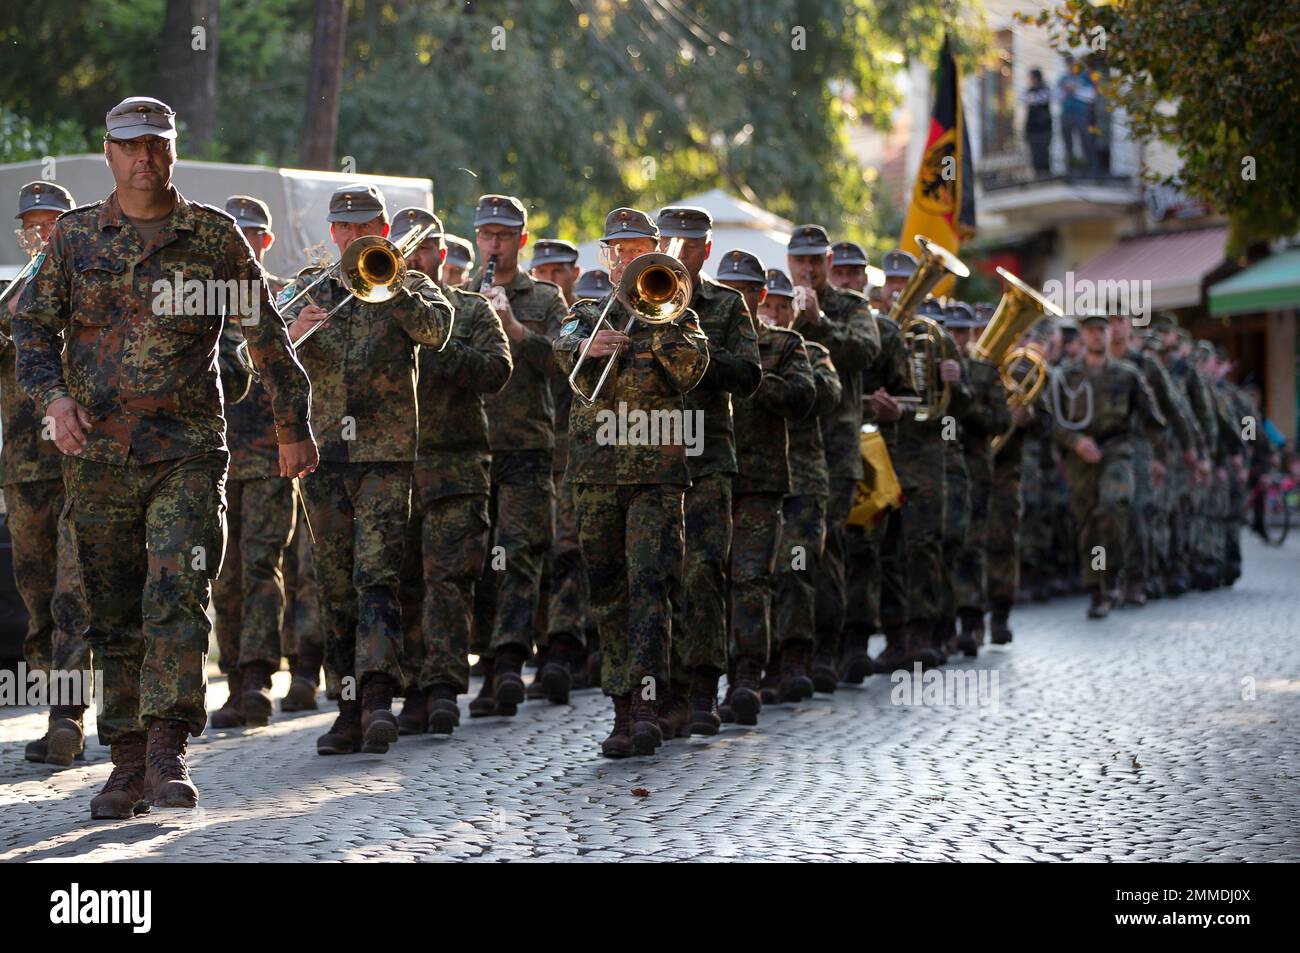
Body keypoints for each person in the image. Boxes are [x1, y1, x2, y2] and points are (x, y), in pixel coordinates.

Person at [14, 96, 317, 817]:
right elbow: (30, 329)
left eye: (157, 145)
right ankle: (123, 760)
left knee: (176, 589)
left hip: (186, 447)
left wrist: (291, 422)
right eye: (131, 146)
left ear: (172, 151)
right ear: (109, 154)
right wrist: (55, 400)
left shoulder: (212, 238)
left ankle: (166, 748)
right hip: (98, 456)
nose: (144, 158)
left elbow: (265, 333)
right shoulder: (76, 238)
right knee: (112, 607)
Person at [277, 183, 453, 756]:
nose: (354, 237)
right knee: (333, 586)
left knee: (376, 577)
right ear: (332, 233)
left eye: (364, 227)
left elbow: (437, 331)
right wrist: (295, 333)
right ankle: (347, 707)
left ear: (381, 229)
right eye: (344, 228)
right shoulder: (308, 286)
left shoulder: (409, 280)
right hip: (324, 455)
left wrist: (392, 283)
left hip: (384, 454)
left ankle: (379, 700)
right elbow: (251, 357)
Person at [552, 207, 710, 757]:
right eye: (615, 249)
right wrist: (586, 347)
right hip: (595, 473)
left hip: (656, 474)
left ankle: (649, 702)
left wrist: (657, 319)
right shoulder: (586, 311)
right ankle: (623, 708)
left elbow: (692, 370)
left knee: (652, 583)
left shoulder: (680, 314)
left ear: (654, 248)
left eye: (635, 247)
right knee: (610, 590)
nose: (624, 256)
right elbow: (560, 347)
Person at [394, 207, 512, 736]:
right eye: (405, 248)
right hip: (392, 471)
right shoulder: (376, 308)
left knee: (449, 581)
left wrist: (437, 343)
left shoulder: (470, 309)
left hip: (456, 468)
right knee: (401, 583)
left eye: (424, 249)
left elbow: (497, 369)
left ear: (441, 256)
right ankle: (410, 688)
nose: (415, 258)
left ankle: (441, 687)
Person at [656, 206, 761, 738]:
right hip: (651, 458)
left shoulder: (725, 304)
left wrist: (695, 349)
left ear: (705, 251)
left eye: (688, 244)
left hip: (707, 458)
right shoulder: (638, 297)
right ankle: (662, 690)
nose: (677, 252)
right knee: (658, 575)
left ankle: (701, 687)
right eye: (669, 240)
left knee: (701, 572)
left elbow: (747, 376)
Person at [468, 195, 569, 715]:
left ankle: (507, 664)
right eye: (487, 235)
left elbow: (566, 364)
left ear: (521, 240)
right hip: (470, 447)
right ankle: (486, 662)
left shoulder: (548, 299)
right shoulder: (460, 294)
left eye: (504, 235)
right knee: (479, 562)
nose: (495, 244)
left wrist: (517, 331)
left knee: (519, 556)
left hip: (527, 447)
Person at [3, 180, 92, 767]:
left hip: (80, 463)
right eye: (32, 224)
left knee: (72, 593)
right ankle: (53, 707)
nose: (42, 233)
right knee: (36, 596)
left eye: (52, 223)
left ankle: (68, 719)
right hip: (23, 470)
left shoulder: (89, 288)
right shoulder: (6, 296)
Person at [210, 194, 300, 729]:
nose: (243, 243)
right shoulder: (202, 299)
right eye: (235, 234)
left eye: (252, 235)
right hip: (218, 457)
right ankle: (236, 676)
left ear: (264, 242)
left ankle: (259, 680)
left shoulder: (288, 297)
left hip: (269, 454)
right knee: (222, 575)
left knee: (262, 567)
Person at [717, 250, 815, 724]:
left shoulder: (785, 343)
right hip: (705, 478)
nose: (736, 299)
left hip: (759, 481)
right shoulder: (700, 341)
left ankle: (747, 678)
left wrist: (753, 376)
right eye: (727, 290)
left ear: (759, 296)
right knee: (703, 580)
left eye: (744, 291)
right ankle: (696, 687)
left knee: (751, 580)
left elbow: (803, 398)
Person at [786, 224, 880, 689]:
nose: (808, 269)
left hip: (837, 447)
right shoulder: (777, 298)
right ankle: (792, 650)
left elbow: (864, 351)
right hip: (787, 449)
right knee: (793, 553)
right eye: (800, 261)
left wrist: (820, 319)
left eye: (815, 261)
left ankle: (830, 645)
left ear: (827, 261)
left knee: (829, 547)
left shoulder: (853, 307)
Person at [1051, 312, 1163, 618]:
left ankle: (1112, 571)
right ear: (1082, 336)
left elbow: (1154, 418)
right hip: (1082, 456)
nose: (1098, 335)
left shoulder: (1127, 374)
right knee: (1088, 525)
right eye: (1091, 331)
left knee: (1114, 506)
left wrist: (1161, 456)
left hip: (1117, 450)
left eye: (1102, 330)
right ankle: (1097, 590)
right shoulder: (1066, 375)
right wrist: (1075, 442)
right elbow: (1053, 420)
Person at [764, 269, 841, 703]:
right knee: (755, 573)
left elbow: (825, 396)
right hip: (756, 480)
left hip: (802, 481)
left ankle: (794, 657)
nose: (774, 315)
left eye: (781, 306)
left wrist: (774, 377)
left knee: (796, 568)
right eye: (768, 306)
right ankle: (760, 660)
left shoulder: (811, 351)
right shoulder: (746, 346)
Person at [1058, 58, 1099, 175]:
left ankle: (1091, 169)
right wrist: (1065, 91)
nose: (1071, 67)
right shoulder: (1063, 78)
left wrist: (1075, 90)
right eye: (1069, 65)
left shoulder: (1085, 77)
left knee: (1086, 141)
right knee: (1067, 143)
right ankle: (1071, 169)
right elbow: (1057, 96)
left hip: (1081, 114)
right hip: (1066, 113)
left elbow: (1091, 95)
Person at [1024, 67, 1053, 176]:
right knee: (1034, 152)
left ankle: (1045, 172)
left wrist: (1033, 99)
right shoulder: (1029, 91)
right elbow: (1025, 100)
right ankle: (1037, 173)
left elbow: (1040, 99)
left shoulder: (1045, 90)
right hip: (1032, 127)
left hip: (1044, 127)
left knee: (1043, 151)